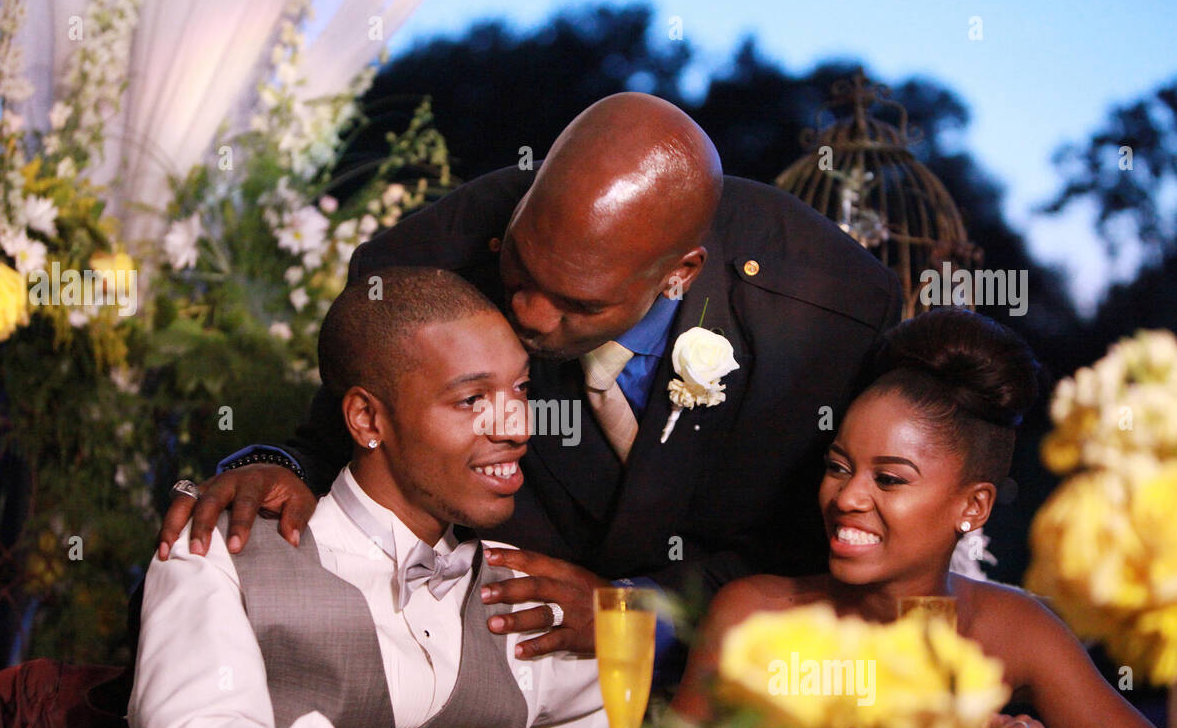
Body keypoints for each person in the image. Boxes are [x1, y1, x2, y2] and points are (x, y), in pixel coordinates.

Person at [155, 92, 902, 668]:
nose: (529, 314)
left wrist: (645, 614)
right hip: (495, 678)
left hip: (730, 694)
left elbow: (828, 546)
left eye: (578, 301)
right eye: (521, 265)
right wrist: (269, 467)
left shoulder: (823, 315)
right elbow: (343, 438)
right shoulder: (422, 267)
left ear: (679, 274)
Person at [129, 268, 644, 728]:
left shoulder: (519, 588)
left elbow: (681, 706)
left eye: (521, 391)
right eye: (473, 399)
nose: (519, 426)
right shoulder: (224, 549)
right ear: (368, 419)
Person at [639, 308, 1171, 728]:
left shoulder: (1017, 629)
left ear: (973, 507)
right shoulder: (753, 610)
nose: (846, 496)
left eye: (889, 479)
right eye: (837, 466)